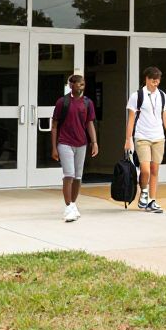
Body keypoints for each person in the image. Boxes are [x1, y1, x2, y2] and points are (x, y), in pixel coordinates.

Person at [125, 66, 166, 214]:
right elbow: (131, 120)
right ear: (146, 79)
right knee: (145, 170)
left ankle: (152, 200)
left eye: (158, 81)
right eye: (153, 80)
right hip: (142, 137)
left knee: (155, 170)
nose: (156, 83)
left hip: (159, 137)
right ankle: (144, 192)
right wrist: (128, 139)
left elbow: (165, 116)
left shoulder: (162, 95)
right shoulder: (137, 96)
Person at [50, 74, 98, 222]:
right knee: (69, 175)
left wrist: (94, 142)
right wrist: (54, 147)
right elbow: (54, 125)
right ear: (71, 85)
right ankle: (68, 207)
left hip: (81, 143)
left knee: (78, 177)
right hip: (65, 143)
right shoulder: (62, 102)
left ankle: (73, 204)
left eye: (83, 84)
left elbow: (89, 123)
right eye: (78, 84)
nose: (81, 86)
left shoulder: (87, 103)